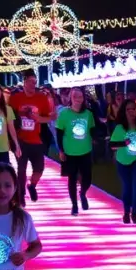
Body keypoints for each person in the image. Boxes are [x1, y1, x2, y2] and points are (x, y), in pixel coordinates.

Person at [9, 70, 55, 206]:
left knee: (39, 169)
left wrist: (38, 118)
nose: (33, 85)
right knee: (21, 170)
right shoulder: (15, 98)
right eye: (30, 82)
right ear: (24, 82)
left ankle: (32, 185)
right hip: (20, 139)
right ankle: (21, 195)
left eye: (35, 82)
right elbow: (10, 117)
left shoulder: (41, 98)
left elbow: (49, 118)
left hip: (36, 140)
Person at [56, 88, 95, 216]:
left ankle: (83, 193)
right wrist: (61, 150)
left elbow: (92, 130)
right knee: (72, 179)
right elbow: (59, 133)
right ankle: (74, 205)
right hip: (70, 152)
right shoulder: (64, 114)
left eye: (80, 97)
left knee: (87, 177)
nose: (78, 99)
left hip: (85, 151)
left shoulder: (88, 114)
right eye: (75, 97)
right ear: (70, 98)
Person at [110, 99, 136, 224]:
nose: (131, 112)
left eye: (134, 109)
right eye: (128, 109)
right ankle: (126, 212)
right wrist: (124, 143)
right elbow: (112, 145)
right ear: (124, 112)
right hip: (123, 161)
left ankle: (135, 213)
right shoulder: (120, 128)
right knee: (128, 187)